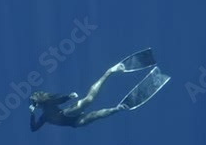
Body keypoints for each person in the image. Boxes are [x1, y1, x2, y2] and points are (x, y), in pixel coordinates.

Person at [29, 48, 171, 131]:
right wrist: (32, 114)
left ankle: (109, 71)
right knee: (96, 115)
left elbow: (58, 100)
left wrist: (69, 97)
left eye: (36, 99)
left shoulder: (48, 105)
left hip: (67, 113)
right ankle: (118, 108)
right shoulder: (43, 117)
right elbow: (34, 128)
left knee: (89, 100)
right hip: (74, 123)